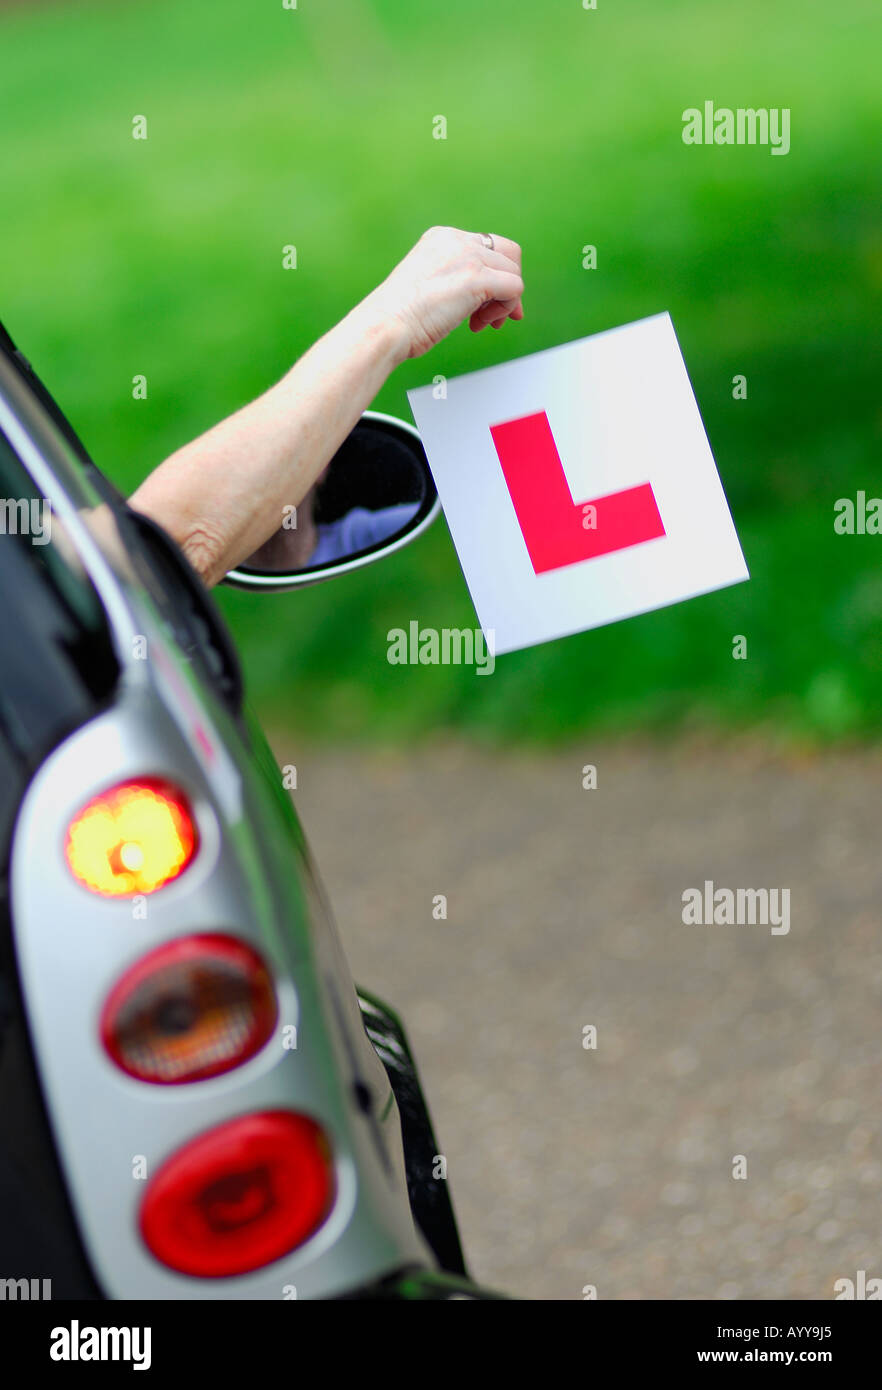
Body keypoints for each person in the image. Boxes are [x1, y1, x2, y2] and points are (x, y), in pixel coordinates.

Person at [129, 226, 524, 588]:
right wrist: (398, 316)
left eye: (306, 438)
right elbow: (161, 550)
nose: (278, 455)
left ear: (323, 466)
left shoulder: (368, 533)